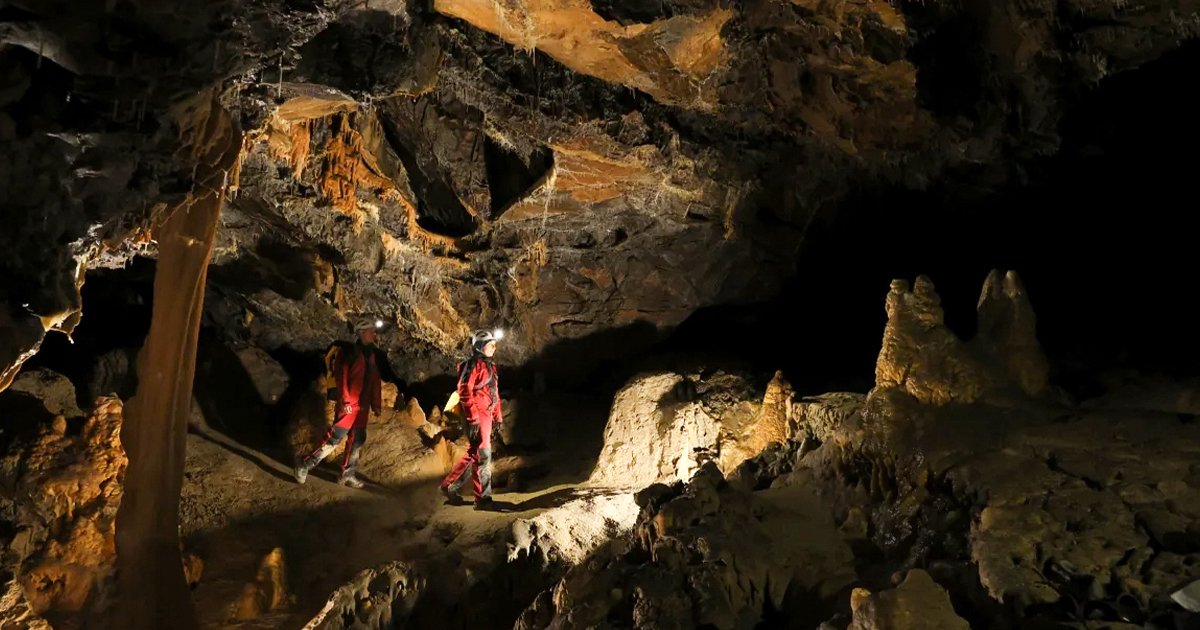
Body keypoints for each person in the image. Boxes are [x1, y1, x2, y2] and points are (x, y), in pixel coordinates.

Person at [294, 317, 385, 488]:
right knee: (335, 437)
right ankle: (305, 464)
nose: (374, 334)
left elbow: (374, 379)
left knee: (358, 438)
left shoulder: (371, 355)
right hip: (350, 404)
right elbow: (340, 377)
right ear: (362, 333)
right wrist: (345, 401)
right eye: (371, 331)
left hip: (362, 407)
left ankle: (347, 473)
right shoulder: (349, 352)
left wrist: (376, 404)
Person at [440, 328, 504, 510]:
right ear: (480, 346)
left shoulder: (490, 366)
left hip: (486, 415)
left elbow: (494, 393)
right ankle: (482, 499)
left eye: (494, 345)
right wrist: (473, 418)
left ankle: (450, 486)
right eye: (491, 345)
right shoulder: (472, 365)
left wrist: (497, 416)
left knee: (474, 452)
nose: (494, 348)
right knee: (483, 455)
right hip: (476, 415)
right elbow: (464, 390)